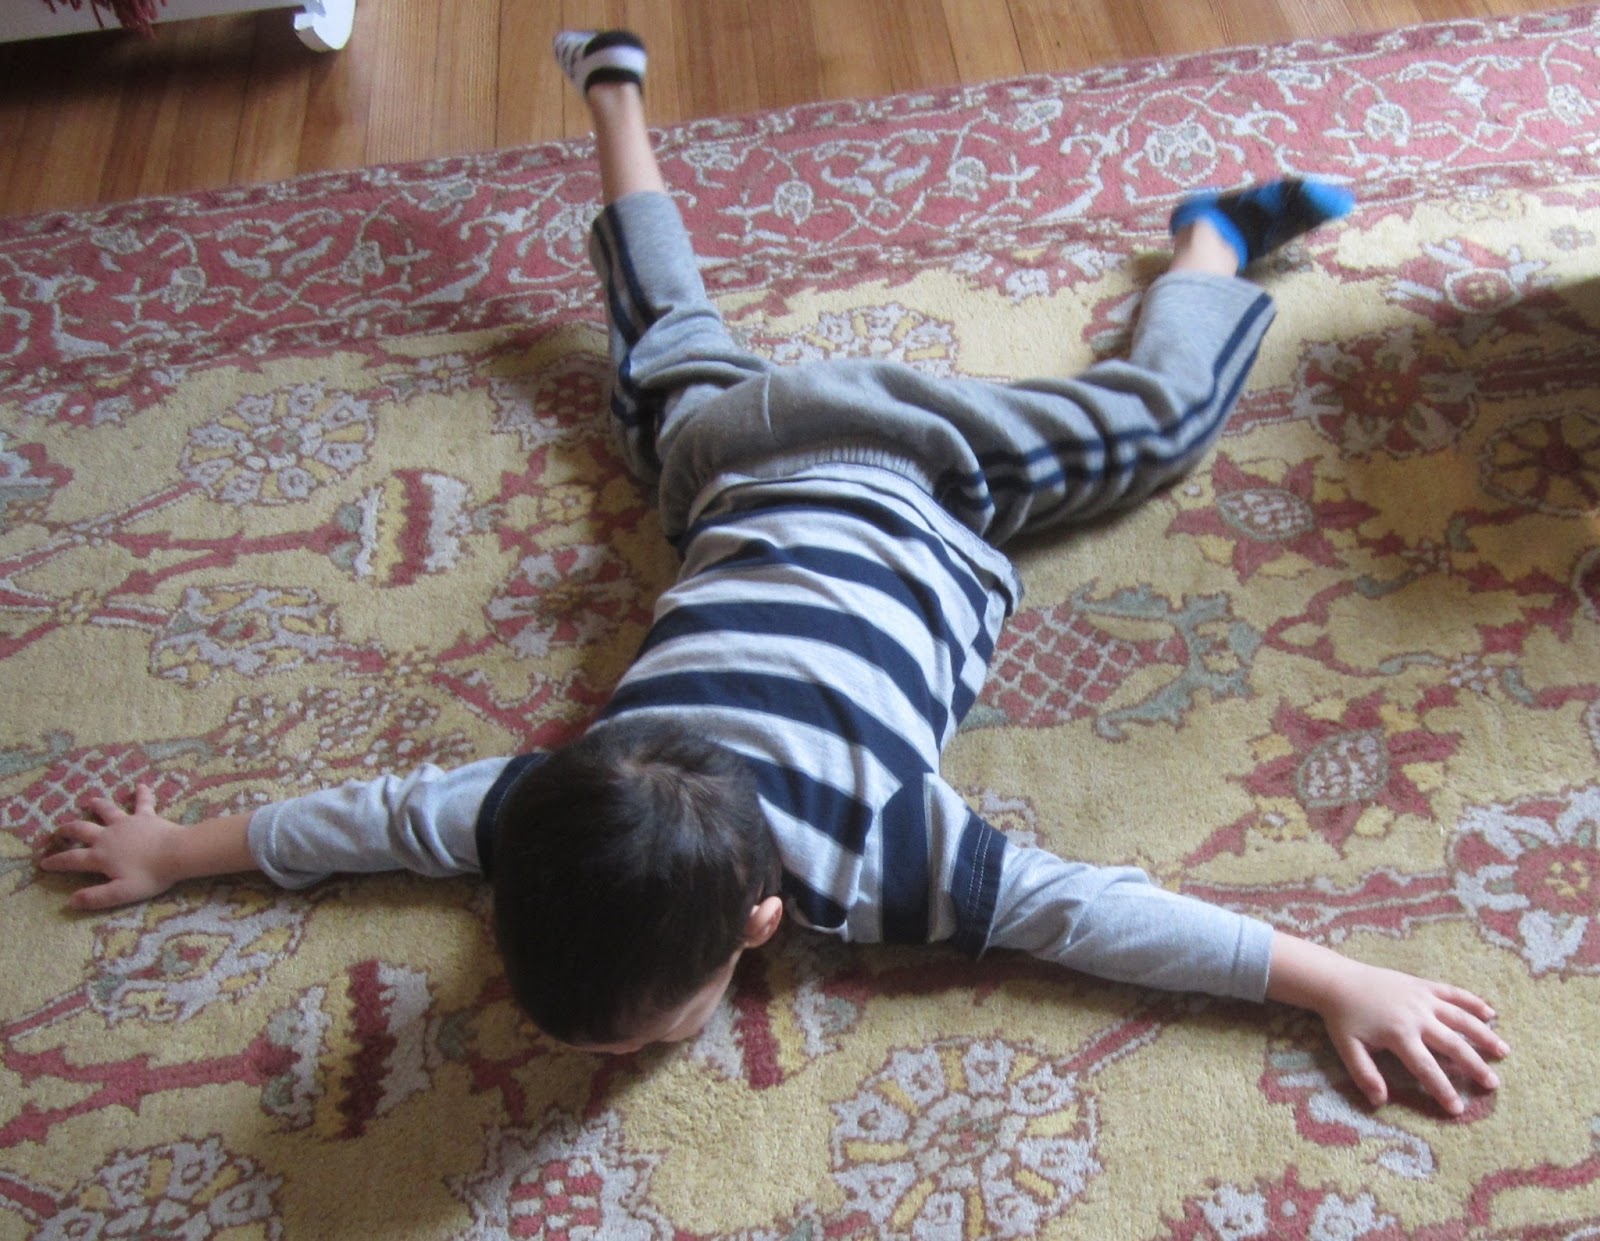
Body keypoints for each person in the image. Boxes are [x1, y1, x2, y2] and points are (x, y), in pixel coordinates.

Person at [39, 31, 1509, 1114]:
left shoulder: (874, 855)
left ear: (760, 924)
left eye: (639, 1033)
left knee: (1159, 424)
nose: (619, 1060)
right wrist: (179, 851)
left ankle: (1211, 235)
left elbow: (1098, 913)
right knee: (658, 337)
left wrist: (1329, 976)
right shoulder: (542, 802)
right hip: (729, 460)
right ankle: (612, 81)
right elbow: (372, 816)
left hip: (932, 466)